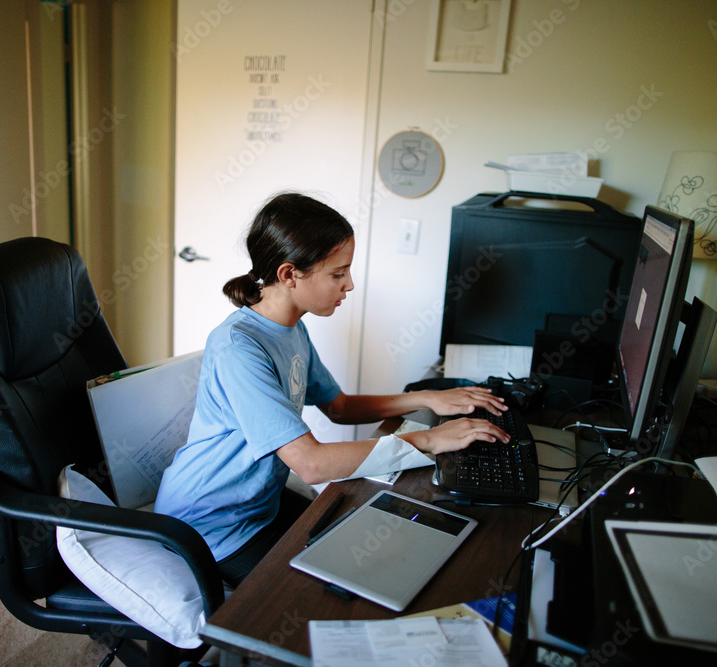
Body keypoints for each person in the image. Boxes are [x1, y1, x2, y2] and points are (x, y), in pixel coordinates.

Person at [154, 192, 508, 586]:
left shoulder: (292, 329)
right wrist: (429, 439)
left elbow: (338, 407)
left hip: (256, 507)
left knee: (371, 542)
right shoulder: (240, 348)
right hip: (209, 526)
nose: (350, 285)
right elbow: (310, 463)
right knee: (331, 586)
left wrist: (426, 397)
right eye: (338, 274)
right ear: (290, 275)